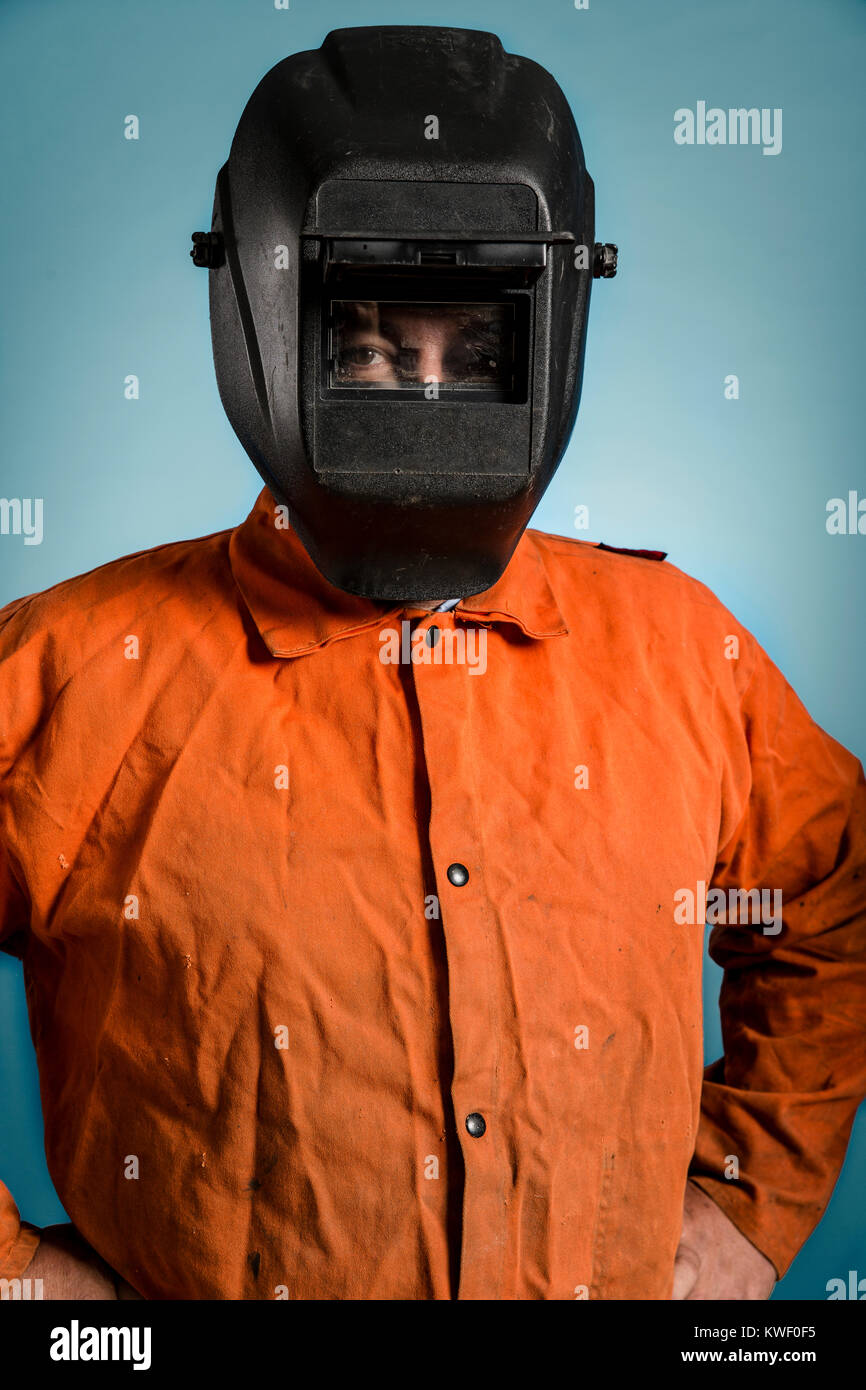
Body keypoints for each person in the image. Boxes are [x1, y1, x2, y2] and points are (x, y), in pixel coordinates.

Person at [1, 25, 863, 1302]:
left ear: (553, 327)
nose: (424, 396)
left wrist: (746, 1200)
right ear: (257, 311)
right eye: (367, 351)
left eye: (470, 348)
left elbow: (823, 899)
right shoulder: (73, 666)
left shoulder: (683, 649)